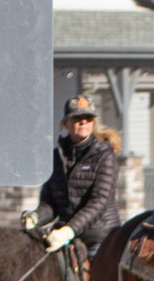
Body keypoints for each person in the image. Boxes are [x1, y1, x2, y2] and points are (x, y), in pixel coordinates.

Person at [24, 94, 122, 259]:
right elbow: (51, 203)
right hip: (64, 237)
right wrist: (36, 217)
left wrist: (70, 230)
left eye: (88, 118)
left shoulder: (105, 156)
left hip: (99, 239)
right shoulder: (55, 157)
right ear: (66, 123)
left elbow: (100, 201)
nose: (83, 122)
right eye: (77, 118)